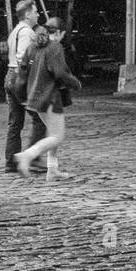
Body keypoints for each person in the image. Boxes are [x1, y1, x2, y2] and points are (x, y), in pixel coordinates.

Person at [14, 17, 82, 179]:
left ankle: (52, 169)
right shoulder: (55, 47)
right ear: (58, 33)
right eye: (63, 34)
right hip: (50, 98)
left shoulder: (33, 47)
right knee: (57, 136)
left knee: (53, 133)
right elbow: (60, 73)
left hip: (35, 99)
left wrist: (22, 95)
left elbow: (22, 74)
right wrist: (75, 83)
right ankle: (27, 155)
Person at [4, 0, 45, 174]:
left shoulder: (15, 31)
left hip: (9, 76)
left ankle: (11, 161)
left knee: (15, 122)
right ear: (27, 14)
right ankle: (32, 158)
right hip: (20, 78)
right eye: (35, 12)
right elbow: (24, 58)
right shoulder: (27, 32)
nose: (38, 15)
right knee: (40, 119)